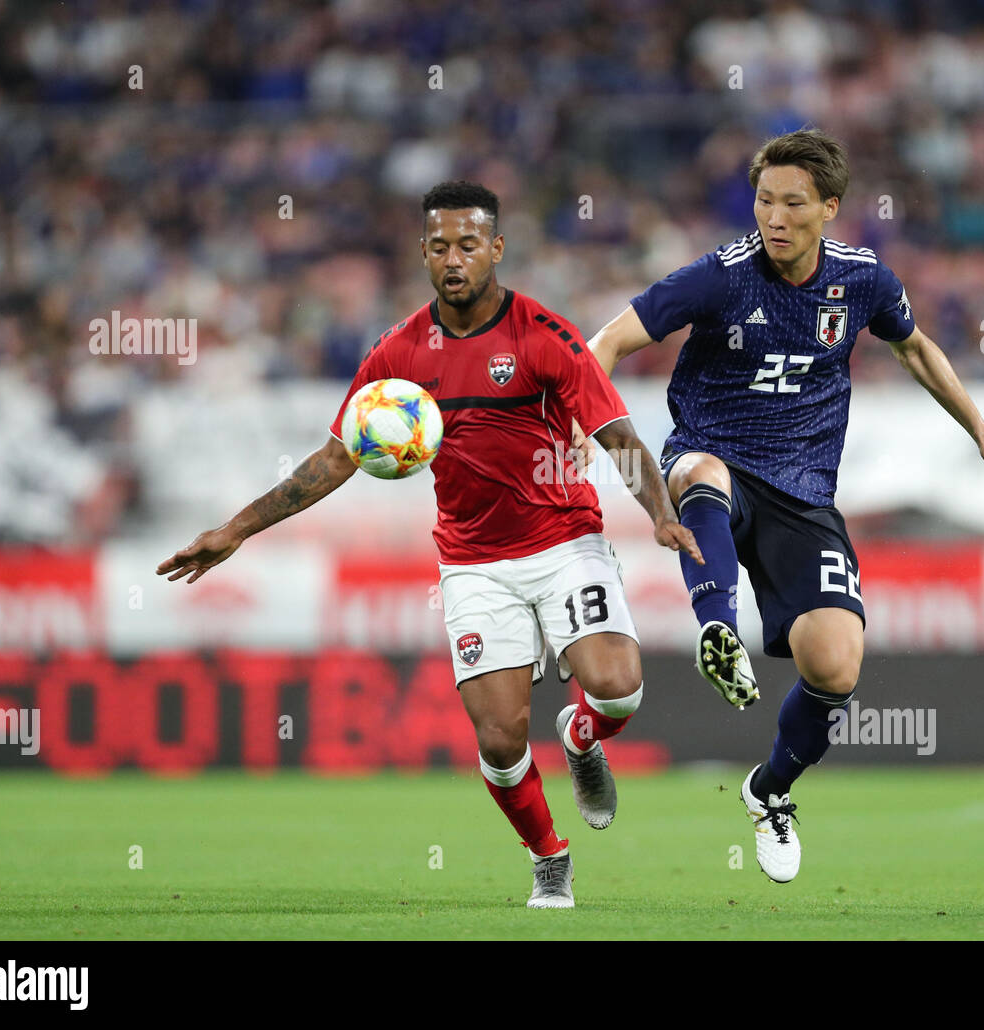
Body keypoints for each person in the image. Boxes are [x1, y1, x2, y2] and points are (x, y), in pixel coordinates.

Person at [157, 181, 701, 908]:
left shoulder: (544, 334)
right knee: (503, 743)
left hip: (565, 541)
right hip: (473, 562)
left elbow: (618, 438)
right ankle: (547, 855)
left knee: (619, 688)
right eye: (439, 245)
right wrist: (235, 530)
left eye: (468, 244)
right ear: (422, 252)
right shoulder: (402, 350)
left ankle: (580, 733)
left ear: (496, 249)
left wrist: (660, 511)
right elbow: (333, 458)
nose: (454, 258)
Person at [584, 129, 984, 883]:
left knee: (835, 666)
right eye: (765, 200)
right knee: (699, 470)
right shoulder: (719, 278)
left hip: (802, 491)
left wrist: (982, 433)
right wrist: (595, 431)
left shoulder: (861, 281)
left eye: (794, 203)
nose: (776, 216)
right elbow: (604, 344)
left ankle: (769, 792)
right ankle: (718, 635)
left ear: (830, 208)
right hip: (713, 453)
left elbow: (916, 346)